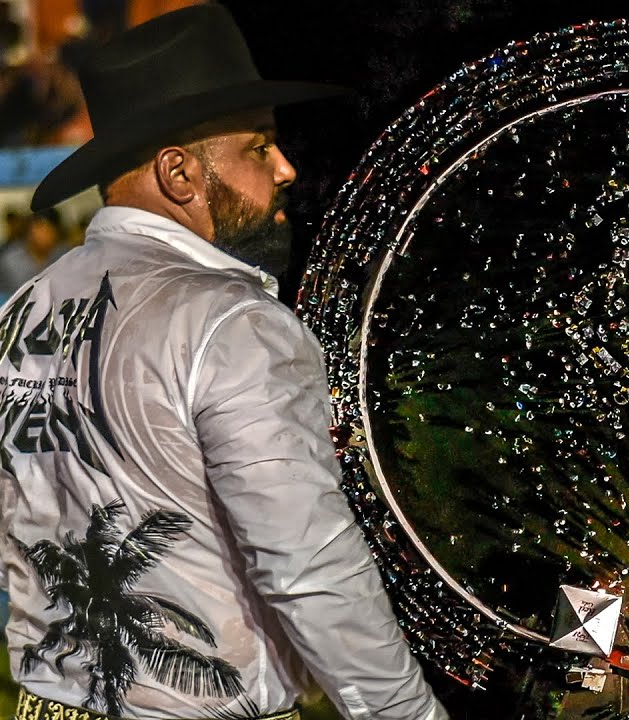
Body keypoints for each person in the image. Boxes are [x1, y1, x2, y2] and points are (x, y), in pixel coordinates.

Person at [0, 7, 447, 720]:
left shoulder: (21, 312)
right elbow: (310, 569)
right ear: (180, 173)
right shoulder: (231, 323)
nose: (286, 168)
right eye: (260, 146)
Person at [0, 209, 66, 299]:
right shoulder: (10, 261)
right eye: (39, 228)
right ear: (29, 231)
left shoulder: (65, 256)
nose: (43, 235)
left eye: (48, 230)